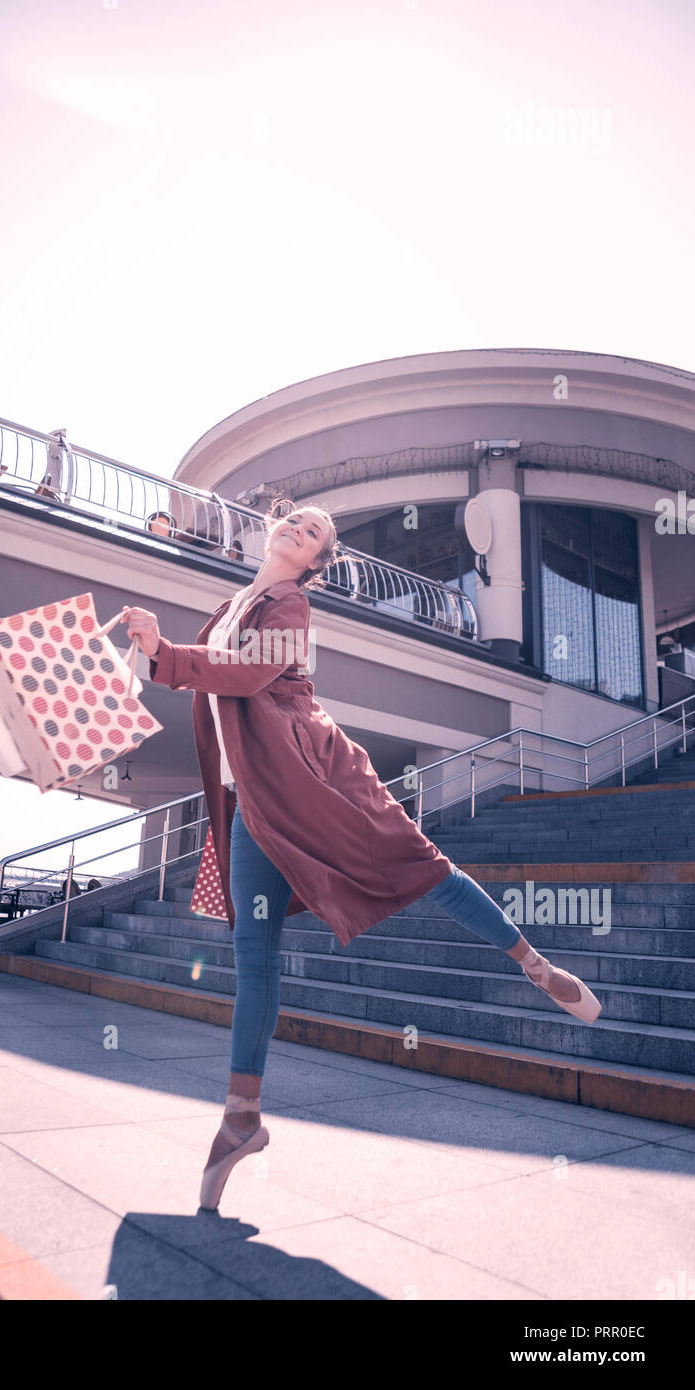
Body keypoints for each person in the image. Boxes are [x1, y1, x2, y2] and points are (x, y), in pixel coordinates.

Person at [117, 498, 602, 1211]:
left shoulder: (288, 607)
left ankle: (532, 963)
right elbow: (218, 681)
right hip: (253, 798)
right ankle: (241, 1117)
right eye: (293, 520)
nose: (297, 529)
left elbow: (248, 678)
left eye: (313, 532)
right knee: (252, 954)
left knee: (421, 863)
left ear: (316, 563)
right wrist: (154, 648)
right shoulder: (232, 603)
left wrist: (163, 655)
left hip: (313, 777)